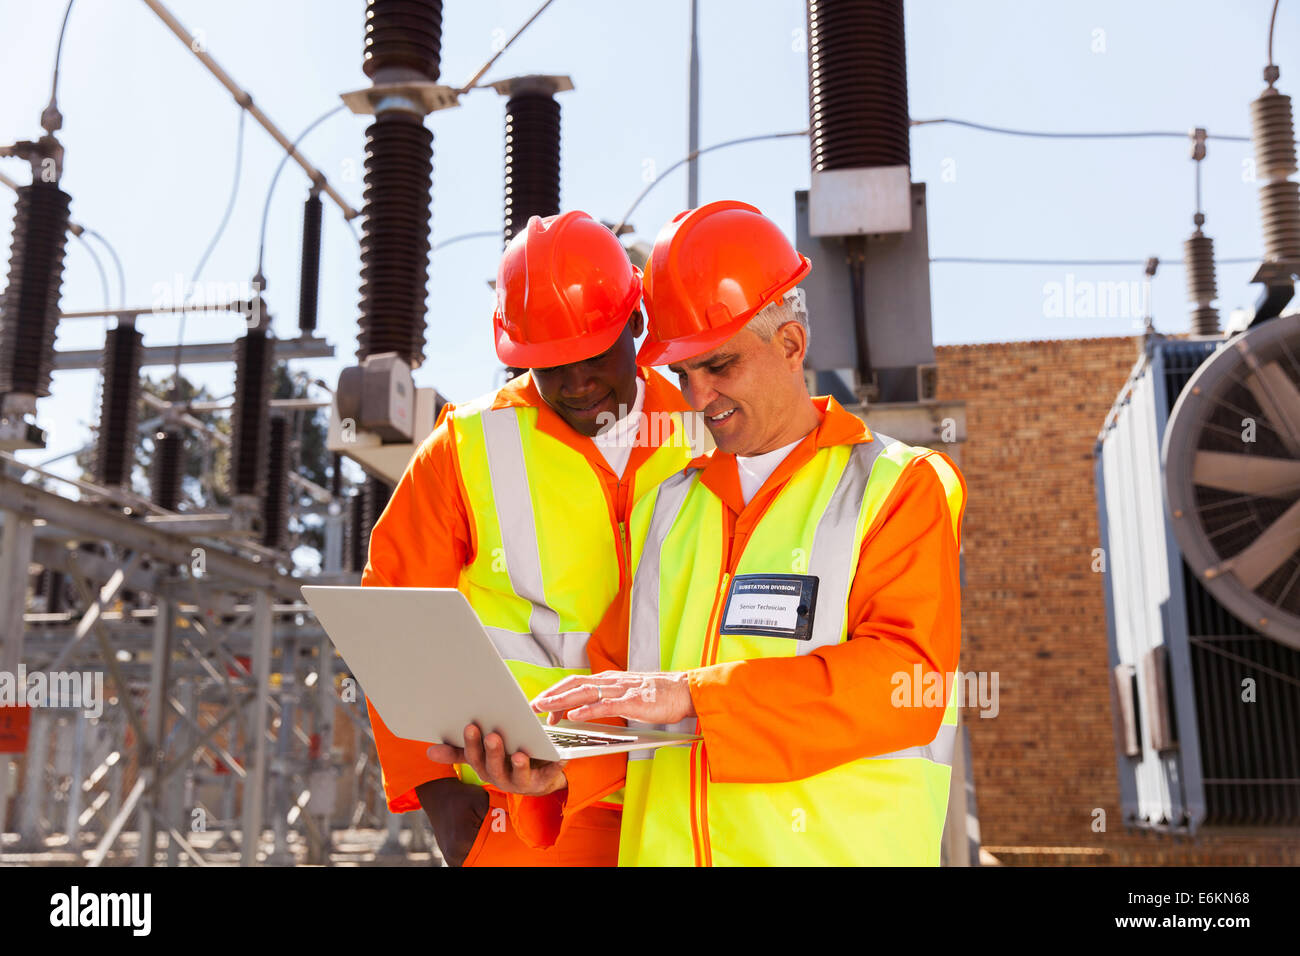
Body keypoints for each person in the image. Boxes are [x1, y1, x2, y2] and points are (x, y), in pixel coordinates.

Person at [474, 199, 967, 865]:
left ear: (789, 344)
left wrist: (694, 695)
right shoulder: (669, 508)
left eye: (719, 365)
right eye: (682, 372)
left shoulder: (899, 486)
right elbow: (619, 696)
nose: (697, 395)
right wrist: (558, 770)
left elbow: (908, 682)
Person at [362, 210, 699, 866]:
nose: (577, 382)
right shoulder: (467, 447)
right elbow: (391, 614)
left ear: (636, 323)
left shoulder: (708, 437)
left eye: (594, 354)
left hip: (679, 797)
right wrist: (438, 796)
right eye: (550, 363)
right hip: (525, 812)